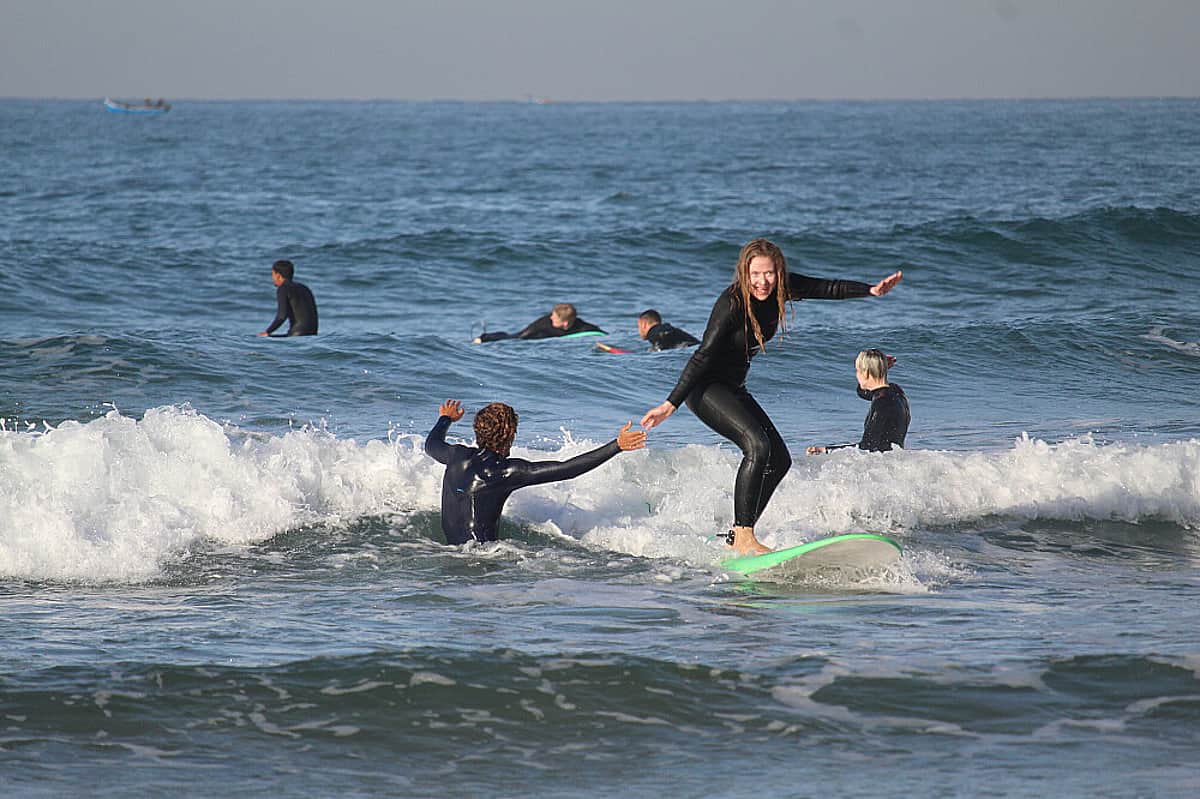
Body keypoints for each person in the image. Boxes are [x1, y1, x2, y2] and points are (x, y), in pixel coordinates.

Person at [640, 239, 902, 555]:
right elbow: (703, 355)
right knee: (758, 446)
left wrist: (870, 291)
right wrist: (671, 403)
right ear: (744, 273)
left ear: (779, 271)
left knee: (779, 459)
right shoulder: (731, 303)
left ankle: (739, 534)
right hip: (705, 388)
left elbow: (827, 288)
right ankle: (745, 536)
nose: (763, 282)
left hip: (734, 387)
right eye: (755, 274)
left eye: (770, 273)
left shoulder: (781, 286)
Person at [425, 399, 646, 545]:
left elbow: (431, 443)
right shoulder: (504, 471)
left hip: (451, 549)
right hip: (482, 557)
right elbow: (567, 469)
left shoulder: (455, 455)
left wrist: (445, 418)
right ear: (510, 434)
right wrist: (616, 446)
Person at [806, 349, 909, 455]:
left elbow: (866, 446)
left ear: (866, 373)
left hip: (881, 464)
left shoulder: (881, 404)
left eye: (858, 371)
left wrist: (826, 450)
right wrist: (880, 369)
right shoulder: (896, 391)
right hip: (895, 460)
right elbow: (863, 392)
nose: (857, 375)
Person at [473, 303, 605, 343]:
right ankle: (482, 337)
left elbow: (595, 331)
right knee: (512, 336)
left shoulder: (580, 325)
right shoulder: (544, 323)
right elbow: (521, 337)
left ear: (565, 323)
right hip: (530, 336)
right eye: (552, 315)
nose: (551, 318)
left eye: (555, 317)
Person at [257, 260, 318, 337]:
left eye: (272, 274)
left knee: (259, 339)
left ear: (278, 275)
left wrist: (268, 332)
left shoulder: (283, 289)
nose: (272, 278)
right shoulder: (305, 288)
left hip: (296, 335)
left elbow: (281, 316)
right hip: (312, 335)